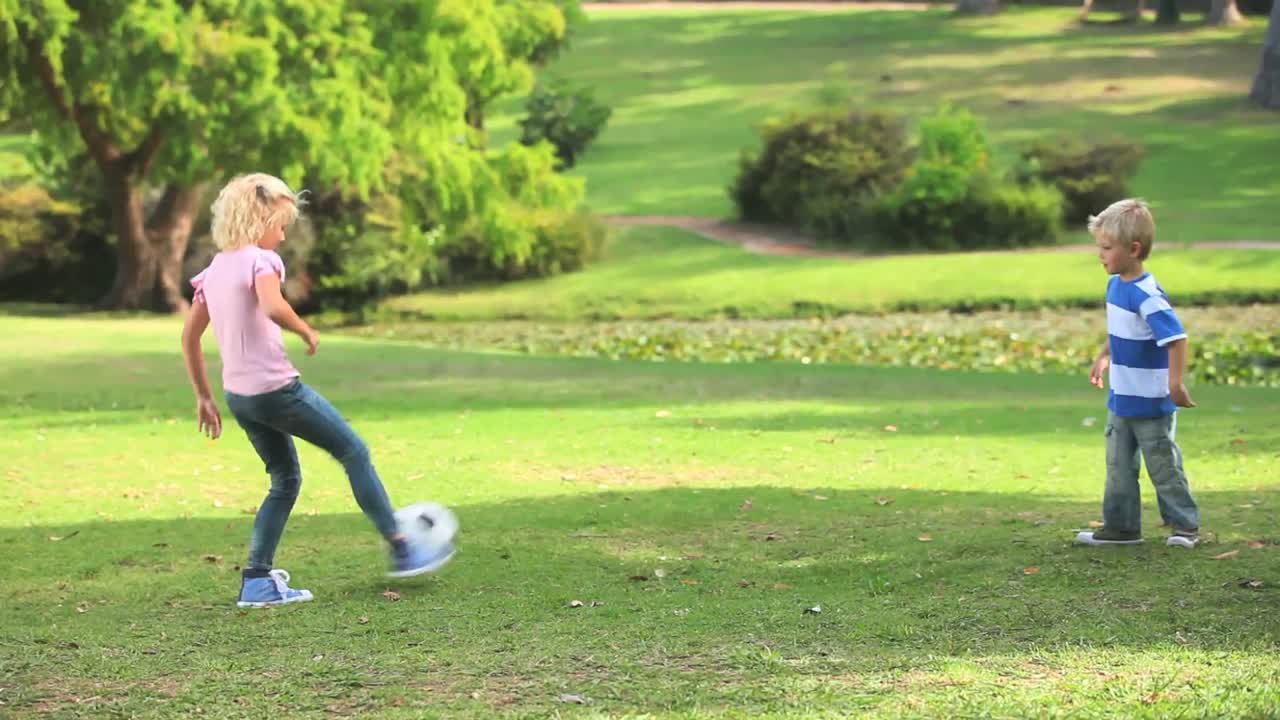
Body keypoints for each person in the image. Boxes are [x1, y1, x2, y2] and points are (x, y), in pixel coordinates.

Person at [180, 173, 453, 608]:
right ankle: (402, 546)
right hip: (276, 391)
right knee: (354, 452)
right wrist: (304, 328)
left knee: (284, 480)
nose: (284, 234)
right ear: (259, 218)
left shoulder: (214, 269)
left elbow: (190, 338)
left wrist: (204, 396)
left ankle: (256, 580)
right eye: (281, 224)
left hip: (240, 398)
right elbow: (272, 305)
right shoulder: (261, 261)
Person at [1074, 198, 1200, 548]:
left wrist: (1175, 383)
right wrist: (1104, 356)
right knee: (1118, 468)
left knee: (1163, 467)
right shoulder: (1116, 286)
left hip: (1152, 402)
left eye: (1106, 248)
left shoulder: (1147, 295)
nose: (1100, 254)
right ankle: (1121, 528)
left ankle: (1185, 527)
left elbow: (1176, 339)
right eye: (1099, 247)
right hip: (1122, 398)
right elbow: (1121, 331)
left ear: (1133, 249)